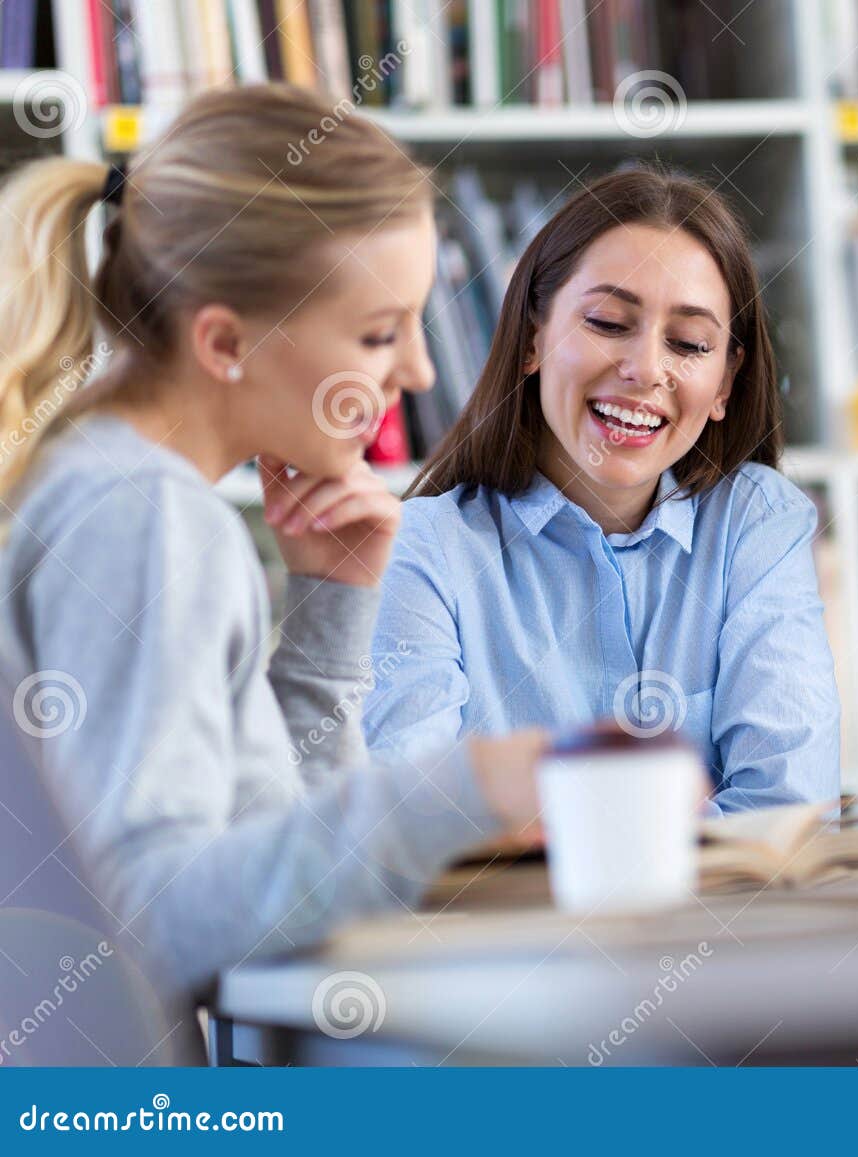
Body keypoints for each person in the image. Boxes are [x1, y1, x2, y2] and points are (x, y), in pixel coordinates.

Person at [0, 85, 548, 1001]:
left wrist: (330, 615)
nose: (416, 371)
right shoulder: (147, 516)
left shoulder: (98, 479)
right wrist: (453, 791)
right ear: (223, 342)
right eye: (380, 332)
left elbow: (254, 873)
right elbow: (144, 925)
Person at [362, 168, 840, 814]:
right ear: (533, 337)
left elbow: (788, 811)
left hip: (715, 919)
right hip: (514, 920)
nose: (645, 369)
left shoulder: (755, 521)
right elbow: (418, 820)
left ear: (725, 383)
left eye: (690, 343)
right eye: (609, 322)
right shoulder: (427, 546)